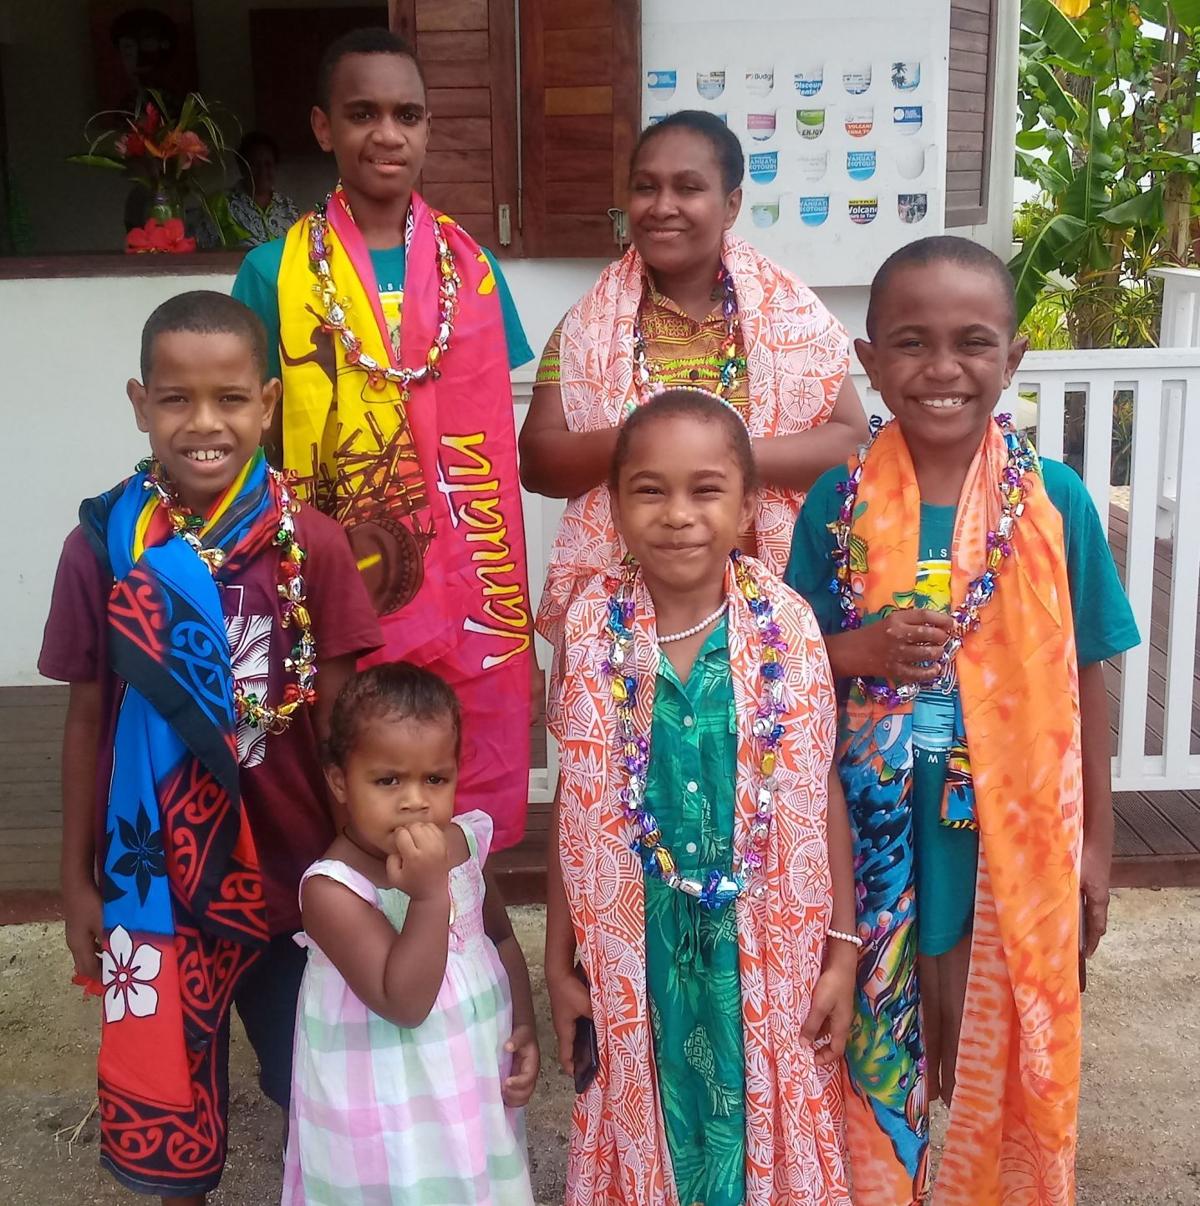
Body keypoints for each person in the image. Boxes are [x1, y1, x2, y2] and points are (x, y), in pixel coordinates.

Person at [785, 237, 1140, 1204]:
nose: (942, 369)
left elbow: (1087, 682)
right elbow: (772, 662)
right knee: (877, 1043)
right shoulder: (837, 503)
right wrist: (853, 653)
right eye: (911, 342)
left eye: (972, 342)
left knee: (989, 1036)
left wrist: (1097, 851)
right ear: (868, 361)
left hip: (1010, 844)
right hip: (872, 844)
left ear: (1014, 355)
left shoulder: (1055, 500)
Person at [39, 291, 382, 1203]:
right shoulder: (104, 551)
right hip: (154, 890)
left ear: (268, 403)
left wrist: (361, 863)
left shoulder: (311, 545)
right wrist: (79, 882)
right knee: (173, 1109)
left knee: (314, 1087)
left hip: (291, 878)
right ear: (138, 401)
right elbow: (86, 720)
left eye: (231, 399)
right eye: (175, 399)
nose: (205, 423)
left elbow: (344, 726)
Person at [546, 389, 859, 1205]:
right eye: (649, 490)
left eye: (706, 489)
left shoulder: (787, 628)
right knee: (645, 1114)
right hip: (635, 951)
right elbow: (575, 814)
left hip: (768, 949)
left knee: (764, 1118)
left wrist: (842, 947)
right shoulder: (588, 631)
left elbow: (819, 783)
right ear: (613, 505)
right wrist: (557, 961)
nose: (678, 514)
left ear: (749, 503)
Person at [233, 27, 535, 852]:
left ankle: (455, 935)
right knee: (342, 769)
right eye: (363, 113)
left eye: (408, 114)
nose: (388, 134)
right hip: (336, 558)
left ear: (431, 127)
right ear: (324, 127)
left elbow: (489, 428)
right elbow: (254, 423)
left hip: (464, 564)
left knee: (444, 777)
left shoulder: (473, 270)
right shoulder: (273, 271)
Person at [519, 110, 869, 674]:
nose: (662, 206)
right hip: (624, 621)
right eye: (645, 187)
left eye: (688, 187)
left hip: (767, 613)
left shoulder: (791, 315)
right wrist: (645, 450)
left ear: (731, 205)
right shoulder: (589, 325)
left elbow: (851, 443)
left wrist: (722, 461)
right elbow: (537, 461)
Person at [283, 662, 538, 1204]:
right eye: (387, 780)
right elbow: (405, 1002)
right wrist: (427, 895)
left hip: (467, 1087)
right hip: (382, 1110)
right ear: (339, 781)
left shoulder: (464, 843)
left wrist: (525, 1028)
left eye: (435, 779)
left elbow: (501, 940)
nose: (415, 800)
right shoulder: (332, 890)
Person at [211, 131, 302, 248]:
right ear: (242, 166)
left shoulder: (289, 208)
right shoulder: (220, 205)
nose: (262, 171)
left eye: (268, 164)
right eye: (255, 164)